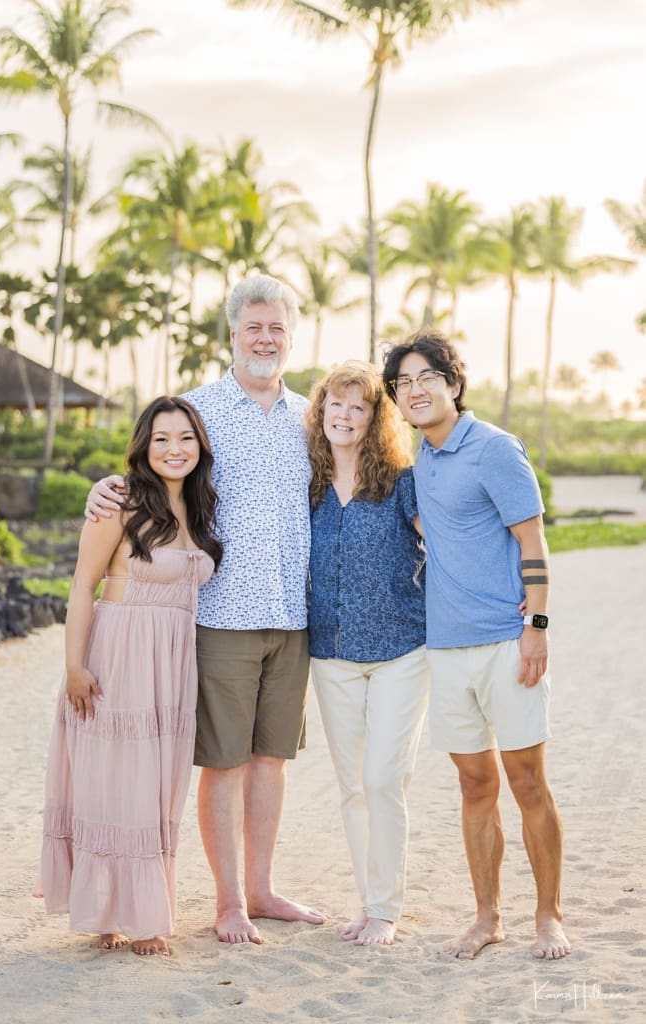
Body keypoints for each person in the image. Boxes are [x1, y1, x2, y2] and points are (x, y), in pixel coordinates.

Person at [84, 274, 325, 945]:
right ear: (231, 333)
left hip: (293, 616)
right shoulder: (198, 411)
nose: (265, 338)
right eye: (253, 326)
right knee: (223, 762)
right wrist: (102, 490)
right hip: (219, 613)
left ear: (291, 334)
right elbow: (147, 470)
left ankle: (262, 888)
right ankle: (227, 904)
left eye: (276, 326)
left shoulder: (311, 416)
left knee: (271, 760)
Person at [383, 330, 571, 961]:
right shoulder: (421, 462)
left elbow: (533, 545)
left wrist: (536, 628)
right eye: (403, 383)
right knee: (473, 785)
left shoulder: (495, 449)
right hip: (446, 648)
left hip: (506, 643)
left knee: (528, 782)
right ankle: (488, 916)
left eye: (425, 377)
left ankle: (548, 915)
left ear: (453, 383)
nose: (414, 390)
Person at [37, 396, 222, 956]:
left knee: (160, 788)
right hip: (119, 653)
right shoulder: (118, 501)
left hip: (173, 665)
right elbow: (81, 586)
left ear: (199, 447)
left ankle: (139, 904)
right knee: (118, 782)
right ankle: (118, 916)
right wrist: (73, 665)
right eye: (162, 438)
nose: (174, 449)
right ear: (144, 444)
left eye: (186, 438)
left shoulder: (201, 505)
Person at [306, 362, 430, 946]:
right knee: (352, 786)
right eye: (336, 403)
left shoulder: (401, 481)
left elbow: (449, 537)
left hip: (402, 649)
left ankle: (386, 910)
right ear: (321, 409)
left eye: (358, 406)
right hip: (330, 653)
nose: (345, 415)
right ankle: (369, 903)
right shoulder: (305, 485)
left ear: (376, 417)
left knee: (383, 778)